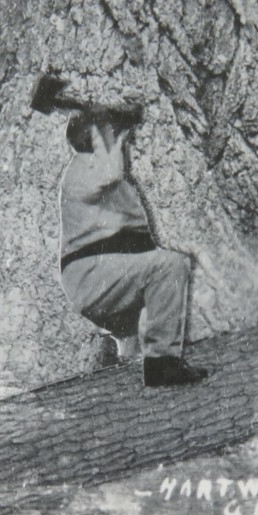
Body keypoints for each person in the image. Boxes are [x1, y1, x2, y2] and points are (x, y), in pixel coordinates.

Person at [58, 111, 208, 387]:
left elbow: (137, 236)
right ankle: (161, 364)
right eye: (107, 136)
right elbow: (112, 171)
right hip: (90, 274)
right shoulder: (81, 168)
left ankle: (126, 357)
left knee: (160, 273)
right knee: (170, 265)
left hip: (106, 271)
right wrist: (108, 133)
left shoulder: (114, 185)